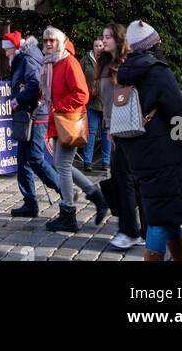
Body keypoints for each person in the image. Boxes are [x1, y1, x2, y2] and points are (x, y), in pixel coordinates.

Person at [117, 20, 182, 261]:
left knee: (166, 208)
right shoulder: (158, 72)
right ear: (152, 45)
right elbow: (177, 115)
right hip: (164, 154)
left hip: (138, 151)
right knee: (159, 215)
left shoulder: (125, 73)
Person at [41, 26, 109, 233]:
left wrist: (58, 106)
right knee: (63, 165)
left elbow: (82, 95)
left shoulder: (68, 62)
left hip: (69, 120)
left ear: (60, 42)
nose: (49, 44)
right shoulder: (51, 64)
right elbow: (49, 91)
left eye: (52, 40)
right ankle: (96, 195)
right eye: (45, 41)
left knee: (62, 166)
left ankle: (69, 212)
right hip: (59, 120)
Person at [3, 31, 62, 218]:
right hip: (28, 114)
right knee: (23, 160)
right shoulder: (24, 57)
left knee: (35, 158)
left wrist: (17, 99)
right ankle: (30, 202)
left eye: (7, 49)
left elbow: (35, 83)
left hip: (35, 114)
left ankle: (64, 189)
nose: (5, 53)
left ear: (15, 46)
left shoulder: (27, 58)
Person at [97, 22, 145, 251]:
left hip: (127, 128)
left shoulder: (126, 63)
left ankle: (131, 230)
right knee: (124, 179)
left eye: (108, 37)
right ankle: (135, 228)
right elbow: (106, 101)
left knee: (126, 179)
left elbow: (127, 98)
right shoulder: (105, 63)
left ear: (118, 39)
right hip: (114, 128)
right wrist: (108, 127)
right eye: (103, 36)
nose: (104, 40)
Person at [80, 36, 111, 173]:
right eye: (96, 46)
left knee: (106, 133)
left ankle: (106, 161)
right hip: (91, 102)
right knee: (91, 132)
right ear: (93, 47)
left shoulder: (110, 60)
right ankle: (87, 162)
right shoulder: (85, 61)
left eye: (101, 46)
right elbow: (78, 78)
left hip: (106, 103)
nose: (99, 48)